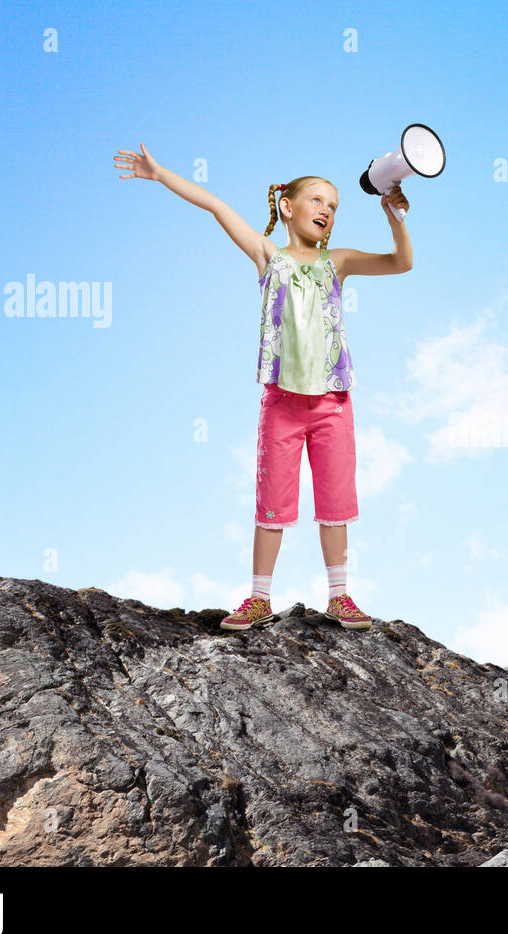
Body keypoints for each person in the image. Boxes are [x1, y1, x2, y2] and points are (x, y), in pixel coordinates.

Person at [112, 143, 412, 631]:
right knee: (271, 503)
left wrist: (395, 216)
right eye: (317, 200)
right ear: (287, 207)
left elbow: (401, 263)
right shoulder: (269, 258)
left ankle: (340, 595)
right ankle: (258, 597)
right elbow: (216, 207)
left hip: (333, 403)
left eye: (333, 206)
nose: (327, 211)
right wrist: (159, 172)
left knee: (335, 502)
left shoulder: (339, 262)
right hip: (282, 404)